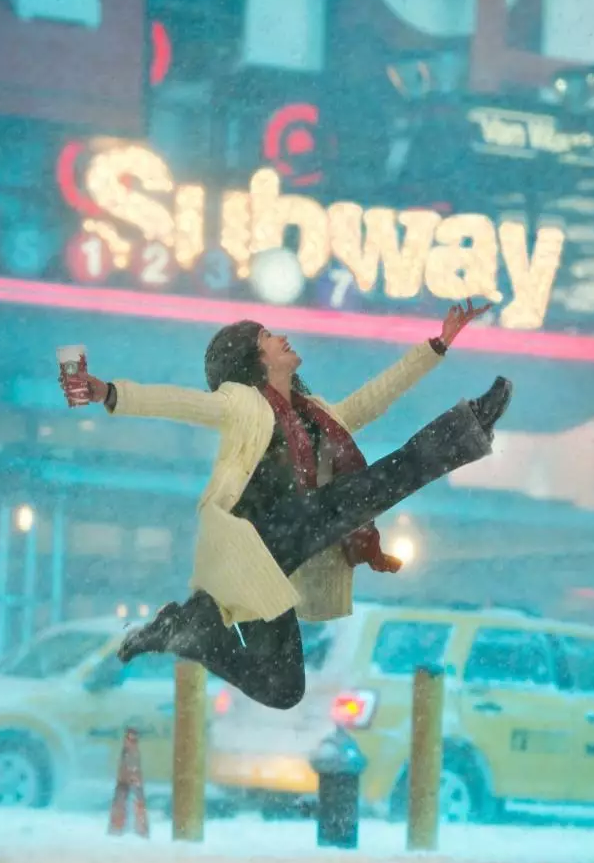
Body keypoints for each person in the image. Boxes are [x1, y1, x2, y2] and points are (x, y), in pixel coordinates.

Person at [65, 299, 512, 710]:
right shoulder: (241, 402)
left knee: (283, 688)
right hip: (258, 537)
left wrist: (437, 345)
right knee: (371, 488)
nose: (279, 338)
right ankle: (469, 425)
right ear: (253, 359)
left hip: (272, 565)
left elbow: (374, 399)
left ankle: (188, 633)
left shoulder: (312, 412)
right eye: (265, 337)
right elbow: (182, 404)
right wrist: (109, 392)